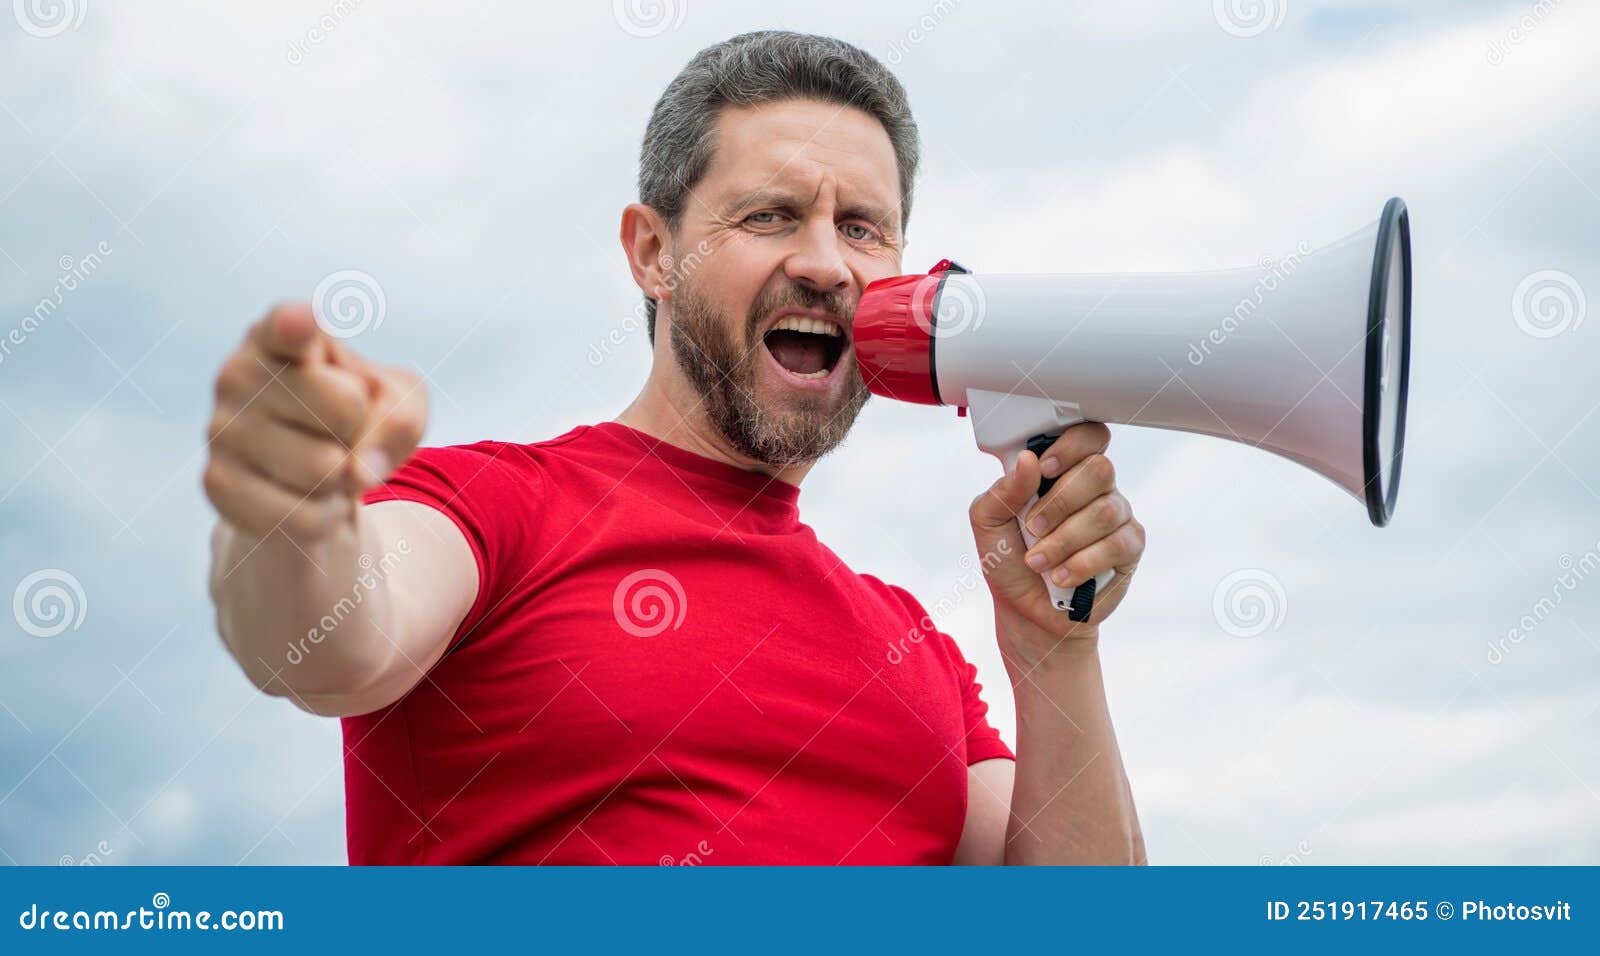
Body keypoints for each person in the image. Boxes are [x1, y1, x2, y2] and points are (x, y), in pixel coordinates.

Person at [204, 31, 1147, 865]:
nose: (825, 263)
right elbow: (323, 648)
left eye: (862, 228)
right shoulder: (493, 505)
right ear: (654, 252)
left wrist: (1055, 651)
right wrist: (287, 515)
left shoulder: (919, 648)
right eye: (771, 215)